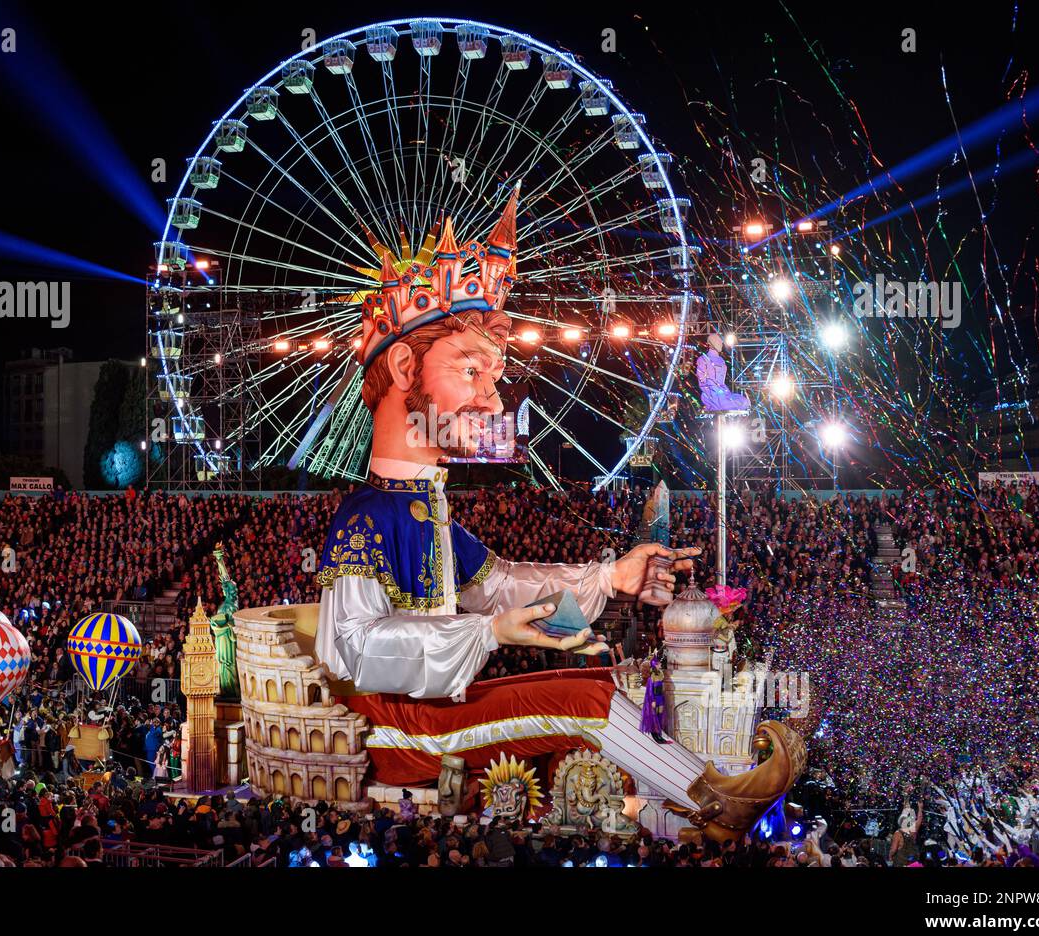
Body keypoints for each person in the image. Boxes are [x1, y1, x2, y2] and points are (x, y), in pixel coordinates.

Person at [314, 186, 805, 842]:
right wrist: (490, 635)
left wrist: (609, 577)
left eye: (495, 377)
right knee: (587, 701)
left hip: (432, 711)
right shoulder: (366, 516)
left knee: (599, 682)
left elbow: (501, 583)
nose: (493, 400)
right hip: (402, 730)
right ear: (403, 365)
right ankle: (714, 801)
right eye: (472, 371)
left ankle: (679, 819)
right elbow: (351, 650)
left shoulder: (426, 507)